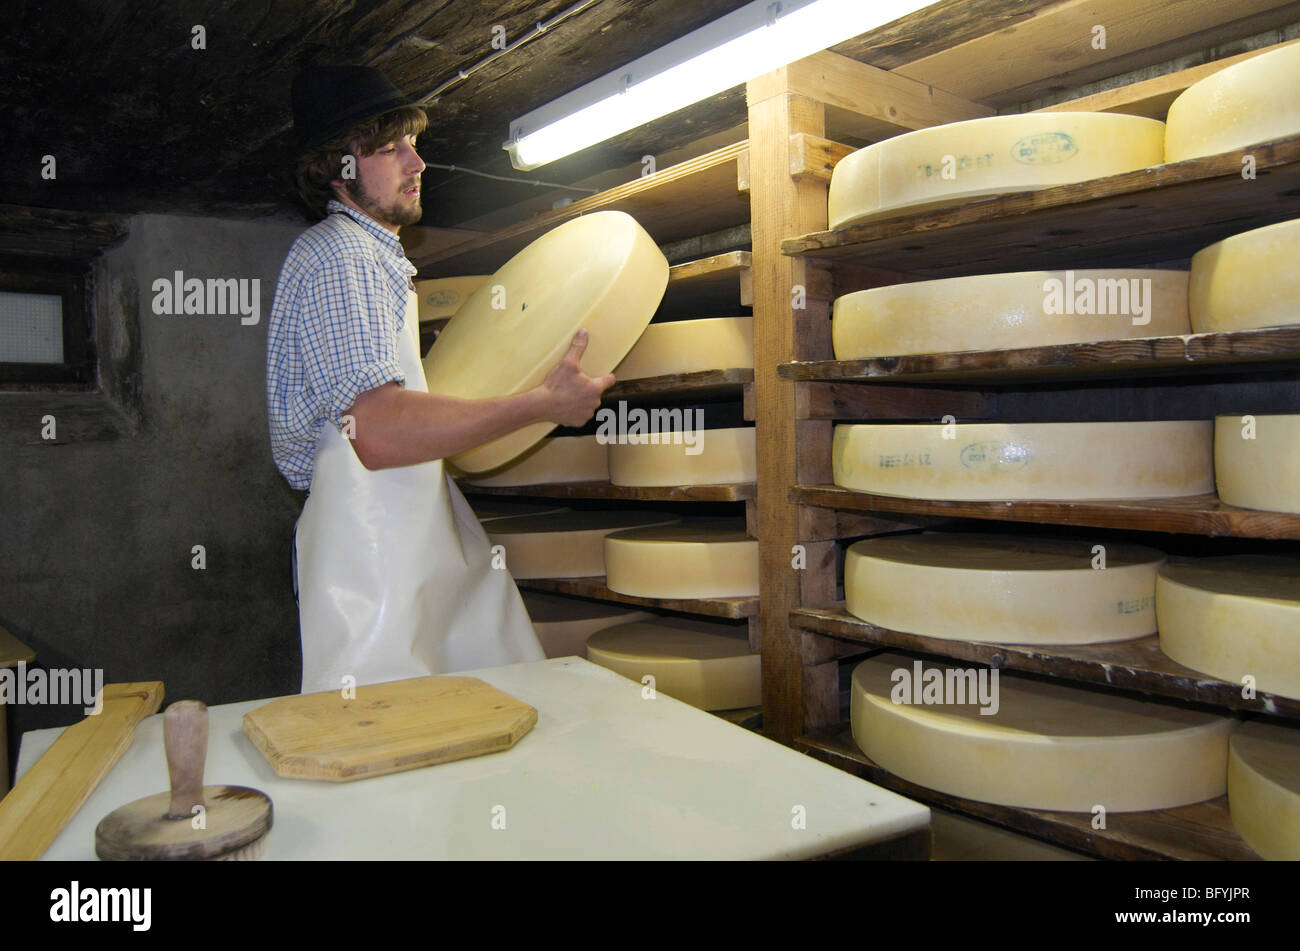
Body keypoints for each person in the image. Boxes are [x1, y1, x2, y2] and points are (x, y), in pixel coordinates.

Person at [266, 65, 613, 693]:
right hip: (371, 551)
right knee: (395, 744)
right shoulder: (343, 256)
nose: (417, 161)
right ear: (336, 167)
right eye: (390, 148)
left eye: (414, 145)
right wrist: (540, 404)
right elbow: (379, 433)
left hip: (401, 530)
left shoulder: (373, 256)